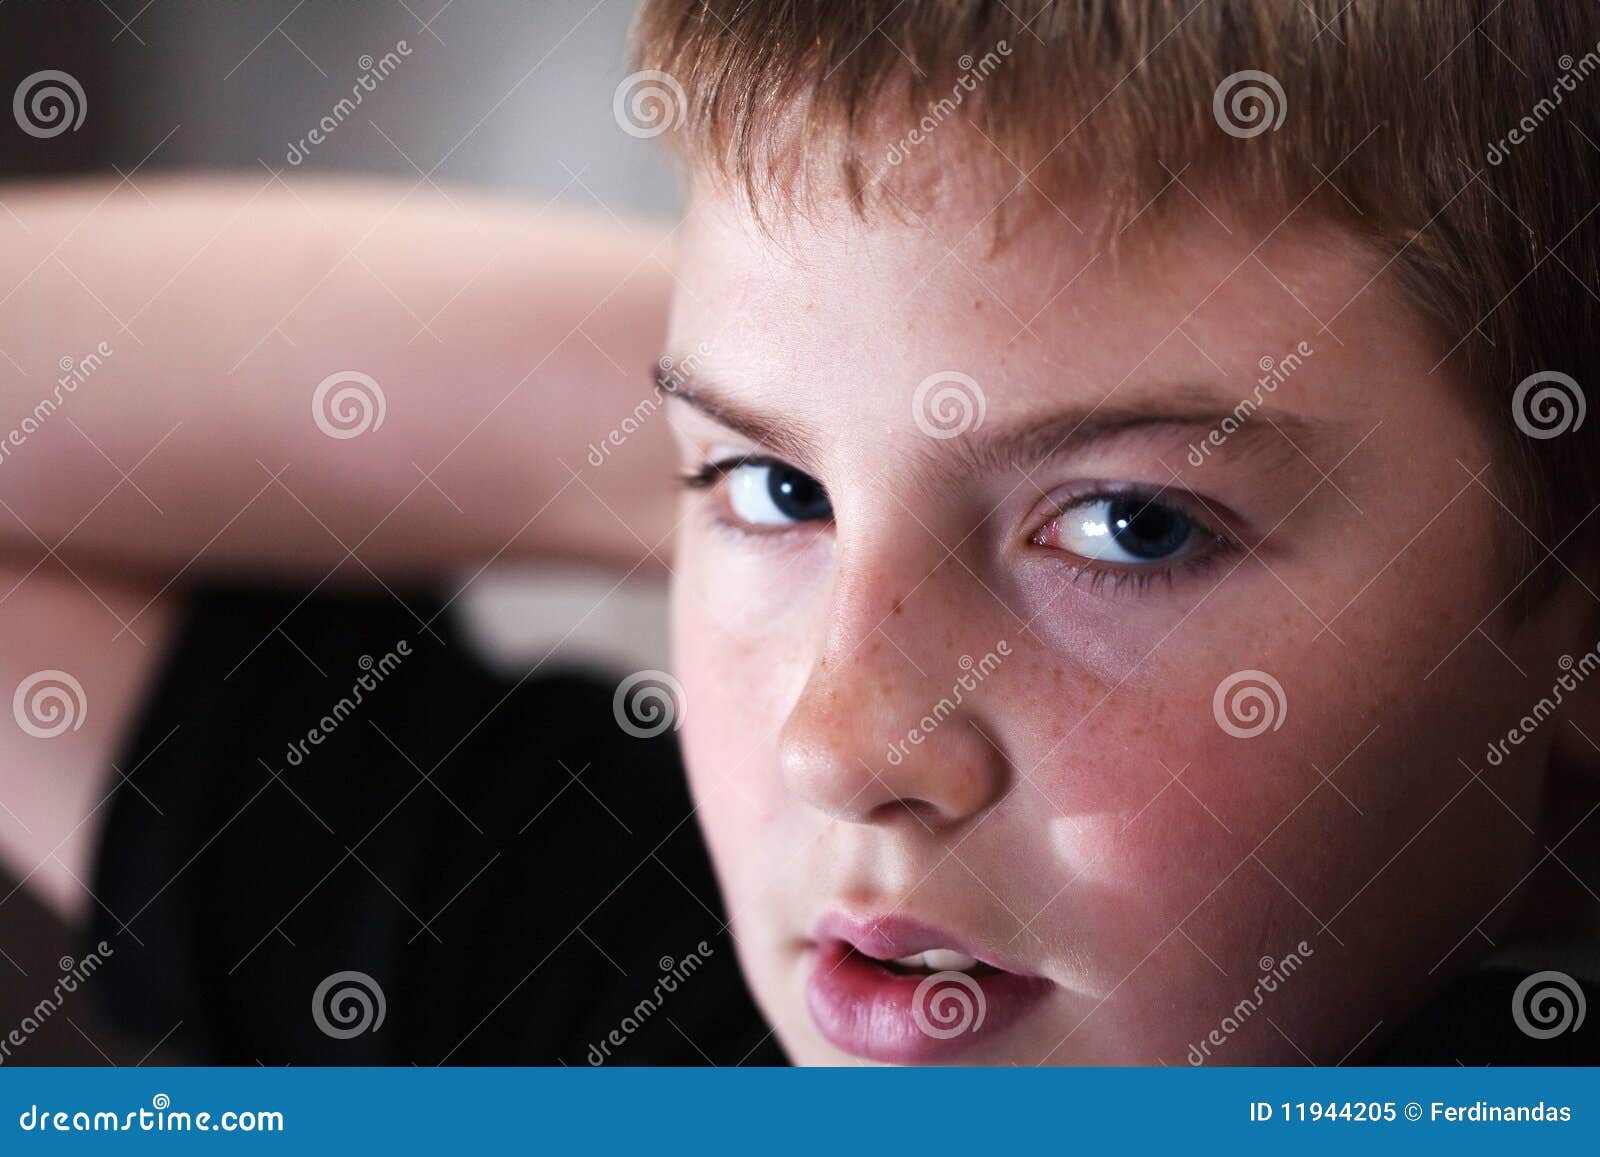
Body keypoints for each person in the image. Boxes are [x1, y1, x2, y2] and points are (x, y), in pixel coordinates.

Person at [4, 0, 1599, 1066]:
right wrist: (835, 363)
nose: (836, 744)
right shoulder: (626, 1015)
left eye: (1133, 524)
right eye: (774, 498)